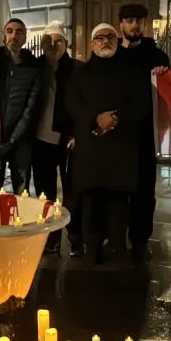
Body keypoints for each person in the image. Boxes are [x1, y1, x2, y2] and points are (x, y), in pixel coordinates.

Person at [65, 23, 151, 266]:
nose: (105, 42)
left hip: (121, 146)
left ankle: (116, 247)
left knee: (118, 201)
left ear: (117, 41)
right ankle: (91, 247)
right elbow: (73, 104)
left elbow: (141, 103)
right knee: (91, 199)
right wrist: (95, 119)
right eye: (100, 38)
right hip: (91, 146)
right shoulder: (80, 74)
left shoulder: (131, 72)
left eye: (110, 37)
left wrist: (117, 118)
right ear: (92, 44)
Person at [117, 3, 171, 260]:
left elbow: (168, 92)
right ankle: (116, 235)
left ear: (145, 24)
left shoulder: (158, 56)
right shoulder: (112, 54)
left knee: (144, 190)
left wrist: (164, 75)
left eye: (139, 20)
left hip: (146, 133)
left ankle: (140, 239)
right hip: (118, 133)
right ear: (121, 24)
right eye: (129, 20)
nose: (135, 25)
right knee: (117, 188)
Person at [30, 20, 80, 254]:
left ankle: (75, 236)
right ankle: (50, 238)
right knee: (45, 191)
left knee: (72, 190)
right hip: (40, 138)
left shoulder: (77, 69)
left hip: (67, 138)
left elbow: (84, 105)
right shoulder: (37, 67)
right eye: (48, 41)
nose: (53, 44)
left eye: (58, 40)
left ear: (66, 43)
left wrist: (77, 133)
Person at [0, 18, 42, 194]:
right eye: (9, 31)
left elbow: (31, 108)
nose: (14, 36)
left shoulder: (34, 66)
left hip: (21, 140)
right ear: (4, 36)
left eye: (19, 32)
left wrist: (13, 140)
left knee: (21, 190)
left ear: (25, 37)